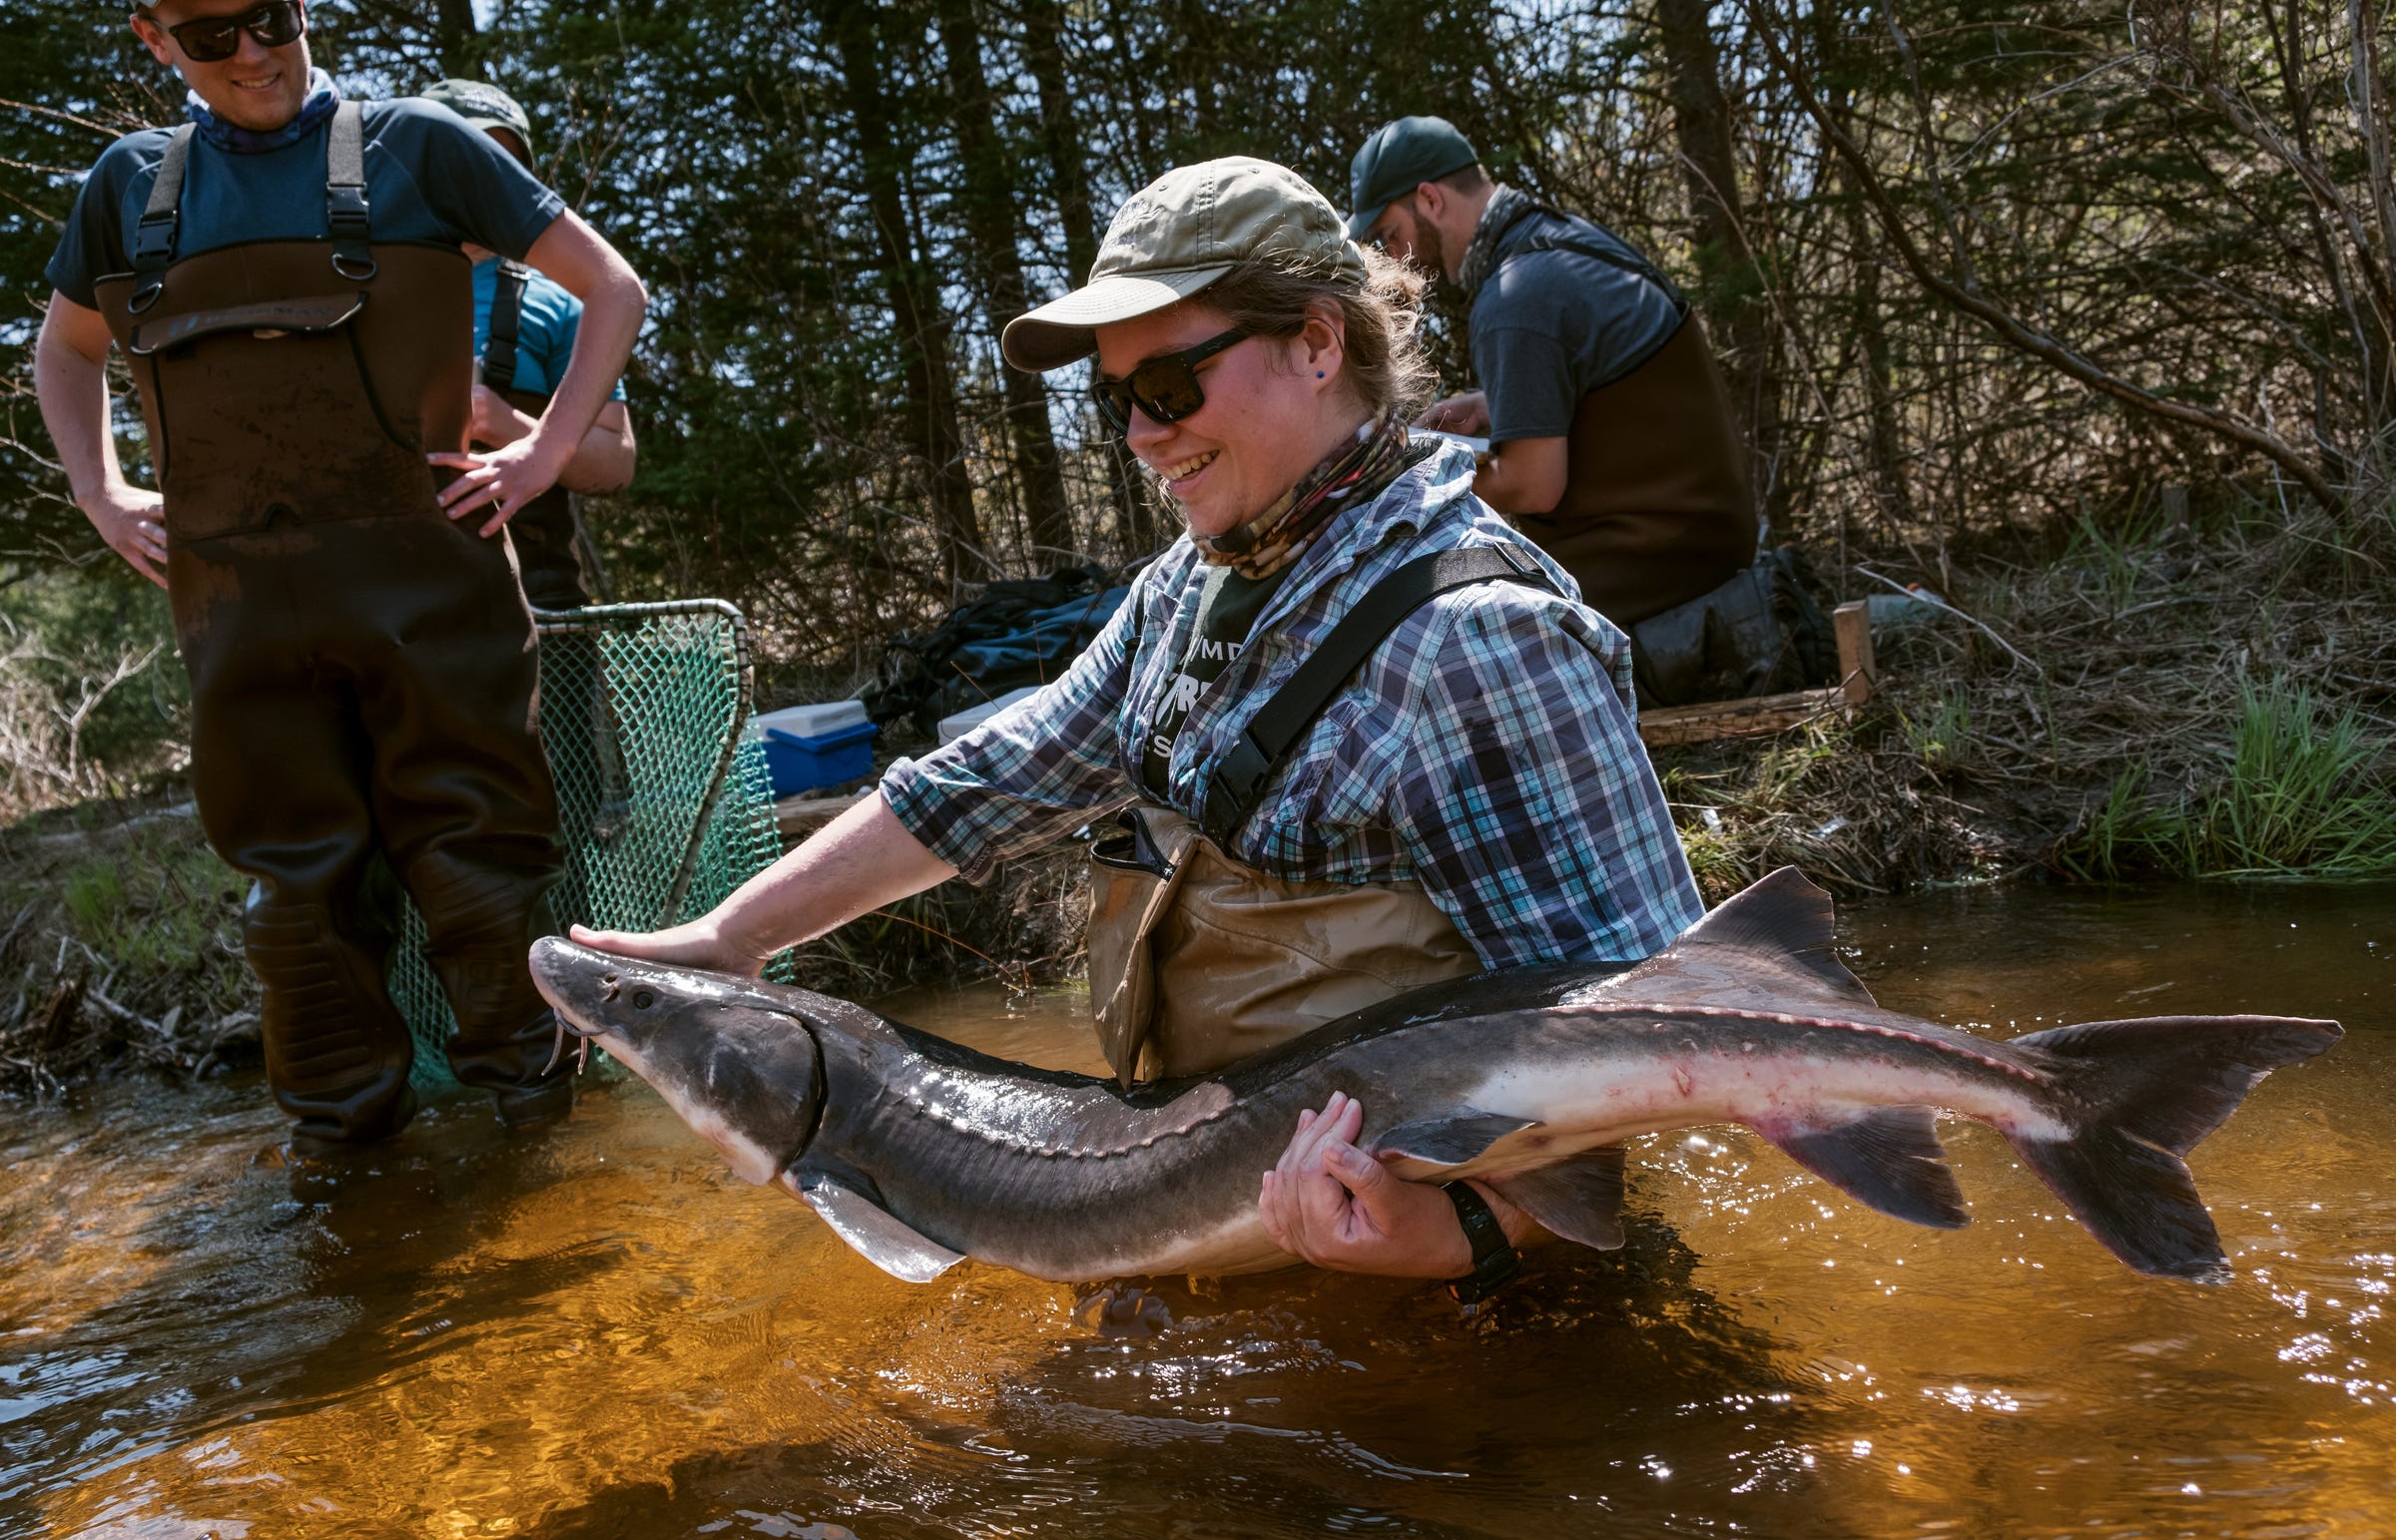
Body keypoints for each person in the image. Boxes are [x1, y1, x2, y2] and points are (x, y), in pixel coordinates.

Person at [576, 158, 1703, 1298]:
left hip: (1489, 1301)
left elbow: (1668, 1039)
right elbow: (986, 782)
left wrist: (1466, 1232)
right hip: (1221, 1222)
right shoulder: (1187, 589)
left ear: (1319, 342)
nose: (1139, 436)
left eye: (1167, 385)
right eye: (1114, 400)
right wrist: (732, 939)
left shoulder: (1480, 638)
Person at [33, 0, 646, 1151]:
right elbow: (64, 350)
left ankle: (542, 1159)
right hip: (238, 622)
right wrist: (104, 496)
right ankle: (349, 1199)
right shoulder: (128, 188)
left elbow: (611, 289)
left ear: (303, 4)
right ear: (157, 45)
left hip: (437, 602)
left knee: (478, 872)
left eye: (271, 18)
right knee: (295, 911)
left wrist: (534, 455)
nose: (254, 52)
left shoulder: (420, 146)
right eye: (212, 36)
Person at [1347, 116, 1769, 700]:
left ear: (1429, 199)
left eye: (1391, 234)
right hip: (1712, 542)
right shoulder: (1568, 242)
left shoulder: (1514, 294)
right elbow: (1613, 395)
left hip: (1660, 574)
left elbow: (1533, 485)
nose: (1395, 255)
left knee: (1437, 639)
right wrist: (1492, 406)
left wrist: (1417, 480)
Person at [420, 78, 634, 613]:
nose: (480, 179)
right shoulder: (358, 287)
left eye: (501, 162)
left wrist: (510, 426)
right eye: (462, 157)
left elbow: (617, 464)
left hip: (539, 609)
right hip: (392, 609)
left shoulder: (568, 300)